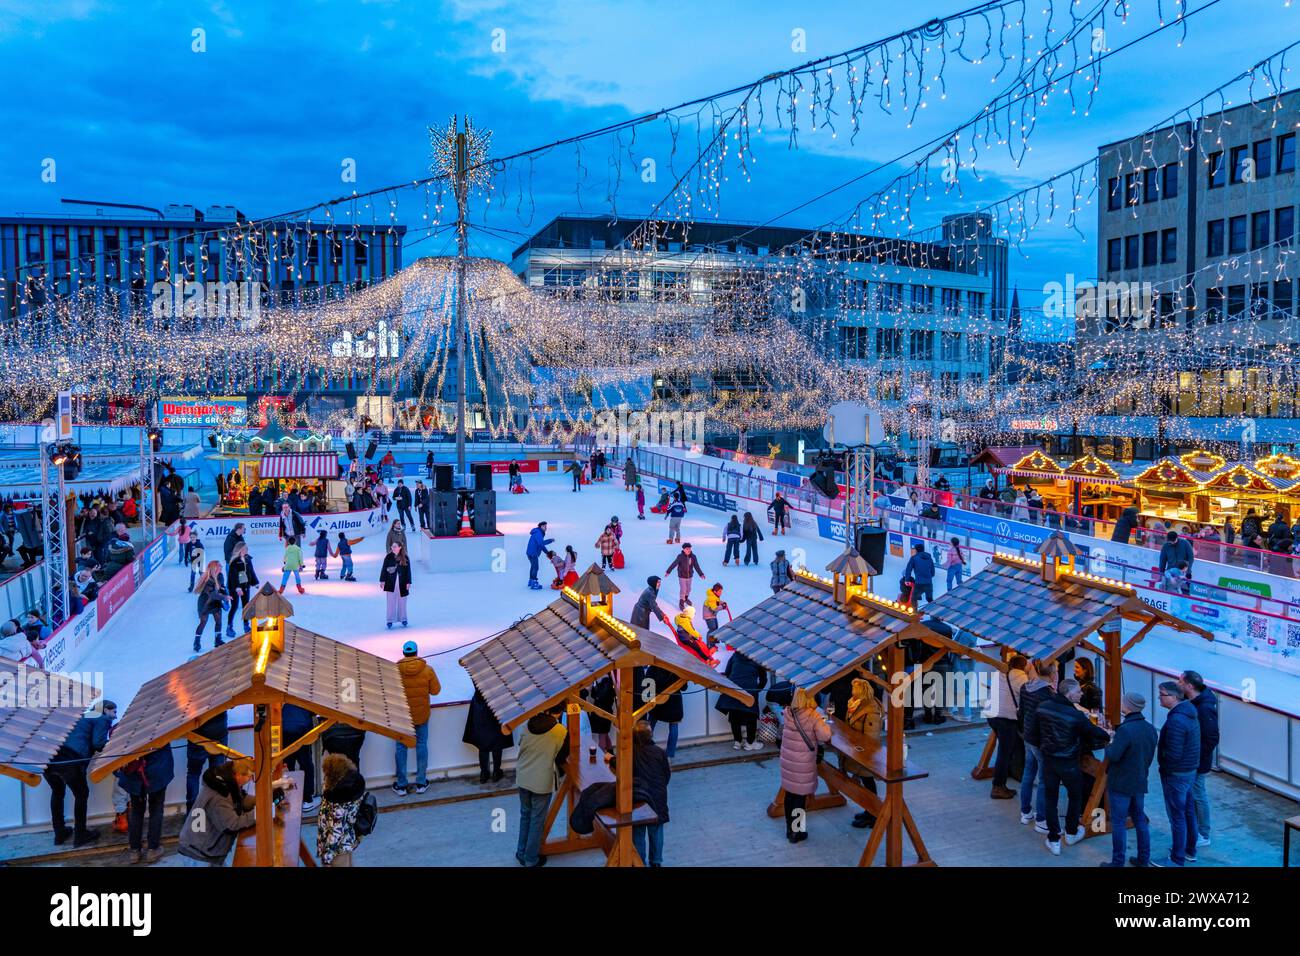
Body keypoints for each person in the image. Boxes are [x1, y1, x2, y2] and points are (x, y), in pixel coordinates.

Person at [1035, 678, 1110, 855]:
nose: (1082, 693)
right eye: (1078, 692)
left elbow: (1036, 731)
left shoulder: (1043, 706)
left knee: (1051, 798)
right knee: (1075, 796)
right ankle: (1071, 832)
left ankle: (1054, 839)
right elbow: (1096, 733)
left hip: (1049, 759)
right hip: (1068, 761)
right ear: (1069, 694)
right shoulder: (1075, 715)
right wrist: (1109, 735)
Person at [1100, 691, 1159, 867]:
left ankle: (1117, 862)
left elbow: (1113, 755)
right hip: (1139, 780)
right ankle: (1143, 859)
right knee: (1140, 820)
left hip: (1121, 782)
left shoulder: (1125, 730)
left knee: (1118, 822)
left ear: (1129, 706)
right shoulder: (1150, 728)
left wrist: (1109, 742)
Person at [45, 702, 114, 847]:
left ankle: (60, 834)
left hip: (51, 757)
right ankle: (80, 835)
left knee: (57, 793)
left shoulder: (81, 716)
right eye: (114, 712)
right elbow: (98, 743)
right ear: (105, 710)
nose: (115, 716)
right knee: (81, 795)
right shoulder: (102, 718)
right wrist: (115, 744)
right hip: (71, 761)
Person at [514, 707, 568, 866]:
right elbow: (562, 755)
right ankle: (531, 859)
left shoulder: (528, 723)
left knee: (525, 815)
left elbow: (520, 743)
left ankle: (521, 852)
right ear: (559, 712)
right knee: (537, 821)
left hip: (523, 776)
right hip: (541, 780)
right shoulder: (559, 730)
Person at [178, 758, 255, 866]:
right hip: (198, 854)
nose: (251, 779)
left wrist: (263, 800)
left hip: (207, 850)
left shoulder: (226, 783)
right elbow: (232, 825)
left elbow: (241, 800)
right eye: (249, 776)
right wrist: (257, 814)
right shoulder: (219, 796)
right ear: (238, 775)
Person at [614, 720, 671, 867]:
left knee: (638, 830)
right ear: (650, 734)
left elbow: (620, 766)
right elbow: (667, 774)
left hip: (638, 796)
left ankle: (639, 862)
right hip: (658, 796)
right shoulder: (659, 752)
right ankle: (656, 861)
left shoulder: (630, 752)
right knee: (656, 829)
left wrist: (611, 759)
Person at [1157, 681, 1201, 866]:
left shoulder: (1176, 720)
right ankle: (1189, 850)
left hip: (1176, 774)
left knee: (1177, 816)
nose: (1159, 697)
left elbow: (1173, 754)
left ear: (1174, 697)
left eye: (1162, 694)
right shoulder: (1189, 713)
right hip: (1189, 770)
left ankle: (1177, 858)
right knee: (1188, 812)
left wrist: (1165, 768)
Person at [780, 688, 831, 843]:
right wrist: (825, 724)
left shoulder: (788, 712)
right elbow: (825, 736)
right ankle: (797, 832)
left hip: (788, 761)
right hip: (802, 762)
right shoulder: (812, 715)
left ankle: (790, 829)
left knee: (790, 794)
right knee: (799, 798)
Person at [1178, 670, 1218, 850]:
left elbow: (1211, 737)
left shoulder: (1204, 707)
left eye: (1180, 681)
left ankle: (1203, 833)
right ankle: (1196, 829)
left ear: (1189, 686)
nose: (1177, 684)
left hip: (1197, 762)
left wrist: (1196, 758)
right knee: (1192, 794)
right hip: (1193, 759)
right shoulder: (1194, 702)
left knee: (1198, 794)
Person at [115, 743, 175, 864]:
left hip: (134, 772)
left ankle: (134, 851)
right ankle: (153, 849)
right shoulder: (161, 723)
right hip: (158, 767)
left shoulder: (127, 724)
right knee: (156, 808)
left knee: (136, 810)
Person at [394, 641, 440, 796]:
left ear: (403, 653)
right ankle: (421, 782)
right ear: (417, 652)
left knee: (401, 747)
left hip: (402, 716)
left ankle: (401, 785)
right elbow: (436, 691)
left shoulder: (395, 670)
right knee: (421, 744)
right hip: (421, 715)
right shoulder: (427, 670)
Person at [1018, 659, 1054, 831]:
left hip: (1028, 735)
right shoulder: (1047, 694)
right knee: (1044, 779)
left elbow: (1022, 713)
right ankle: (1042, 819)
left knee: (1028, 773)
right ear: (1052, 673)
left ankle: (1025, 812)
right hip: (1041, 740)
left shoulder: (1026, 687)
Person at [842, 677, 884, 828]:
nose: (852, 691)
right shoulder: (855, 704)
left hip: (866, 753)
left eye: (854, 689)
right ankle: (869, 811)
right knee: (865, 782)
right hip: (857, 750)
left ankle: (873, 814)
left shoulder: (871, 710)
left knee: (868, 781)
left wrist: (860, 748)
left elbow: (870, 737)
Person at [987, 653, 1028, 800]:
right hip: (1006, 719)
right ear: (1024, 666)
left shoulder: (999, 673)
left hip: (992, 716)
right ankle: (998, 786)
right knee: (1005, 752)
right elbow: (1028, 696)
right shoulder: (1022, 678)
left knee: (1007, 749)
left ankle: (1005, 778)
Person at [317, 753, 367, 867]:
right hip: (348, 840)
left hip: (337, 849)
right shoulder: (354, 791)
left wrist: (327, 859)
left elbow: (334, 833)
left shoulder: (335, 804)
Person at [716, 650, 766, 750]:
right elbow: (764, 679)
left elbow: (727, 673)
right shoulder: (757, 658)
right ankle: (750, 743)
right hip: (749, 690)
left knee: (735, 716)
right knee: (751, 717)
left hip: (734, 689)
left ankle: (737, 742)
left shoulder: (735, 656)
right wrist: (757, 689)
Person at [463, 688, 512, 784]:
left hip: (480, 703)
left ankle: (484, 774)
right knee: (497, 741)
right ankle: (496, 772)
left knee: (482, 742)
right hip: (496, 702)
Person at [186, 710, 228, 812]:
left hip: (198, 736)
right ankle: (215, 811)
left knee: (194, 774)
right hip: (219, 734)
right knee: (217, 776)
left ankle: (193, 812)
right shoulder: (222, 693)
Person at [281, 703, 320, 812]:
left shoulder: (285, 694)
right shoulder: (306, 694)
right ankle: (307, 800)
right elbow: (315, 711)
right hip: (302, 730)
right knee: (306, 764)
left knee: (288, 765)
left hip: (285, 728)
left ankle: (290, 798)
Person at [193, 560, 229, 653]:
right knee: (203, 622)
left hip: (215, 602)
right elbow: (212, 594)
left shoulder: (220, 576)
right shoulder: (208, 580)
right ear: (215, 568)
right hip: (205, 603)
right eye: (220, 566)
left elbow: (222, 587)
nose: (221, 567)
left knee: (218, 621)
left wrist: (226, 595)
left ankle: (218, 640)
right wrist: (224, 597)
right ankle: (196, 642)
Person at [226, 543, 258, 638]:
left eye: (247, 548)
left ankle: (246, 625)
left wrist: (255, 582)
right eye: (244, 549)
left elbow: (251, 571)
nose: (246, 550)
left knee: (246, 606)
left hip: (245, 585)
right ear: (239, 549)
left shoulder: (248, 559)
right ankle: (229, 627)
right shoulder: (234, 561)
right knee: (234, 606)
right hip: (235, 587)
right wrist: (237, 587)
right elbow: (233, 576)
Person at [381, 542, 411, 629]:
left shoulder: (405, 557)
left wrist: (408, 582)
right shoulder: (388, 557)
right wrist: (382, 581)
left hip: (403, 582)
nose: (392, 548)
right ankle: (389, 620)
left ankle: (403, 618)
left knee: (402, 602)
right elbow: (384, 569)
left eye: (394, 546)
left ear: (400, 547)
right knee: (390, 602)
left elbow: (408, 571)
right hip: (390, 582)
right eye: (392, 546)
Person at [583, 675, 616, 753]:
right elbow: (594, 695)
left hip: (604, 713)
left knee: (602, 735)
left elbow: (602, 696)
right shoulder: (602, 681)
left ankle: (601, 756)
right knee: (604, 734)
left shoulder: (607, 682)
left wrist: (595, 686)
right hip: (600, 712)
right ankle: (610, 752)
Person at [666, 542, 704, 610]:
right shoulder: (680, 556)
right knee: (683, 589)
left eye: (689, 548)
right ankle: (681, 602)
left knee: (688, 589)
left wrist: (701, 574)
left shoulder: (693, 556)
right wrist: (668, 571)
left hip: (690, 576)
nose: (688, 550)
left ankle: (686, 598)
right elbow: (674, 564)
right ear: (683, 549)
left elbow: (696, 566)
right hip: (682, 576)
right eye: (687, 549)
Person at [526, 521, 554, 590]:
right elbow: (541, 543)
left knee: (533, 566)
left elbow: (541, 545)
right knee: (536, 567)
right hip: (533, 553)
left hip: (530, 552)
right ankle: (534, 583)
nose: (546, 528)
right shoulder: (538, 533)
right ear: (541, 526)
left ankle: (531, 581)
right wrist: (550, 540)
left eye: (546, 526)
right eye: (544, 526)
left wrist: (547, 552)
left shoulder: (538, 532)